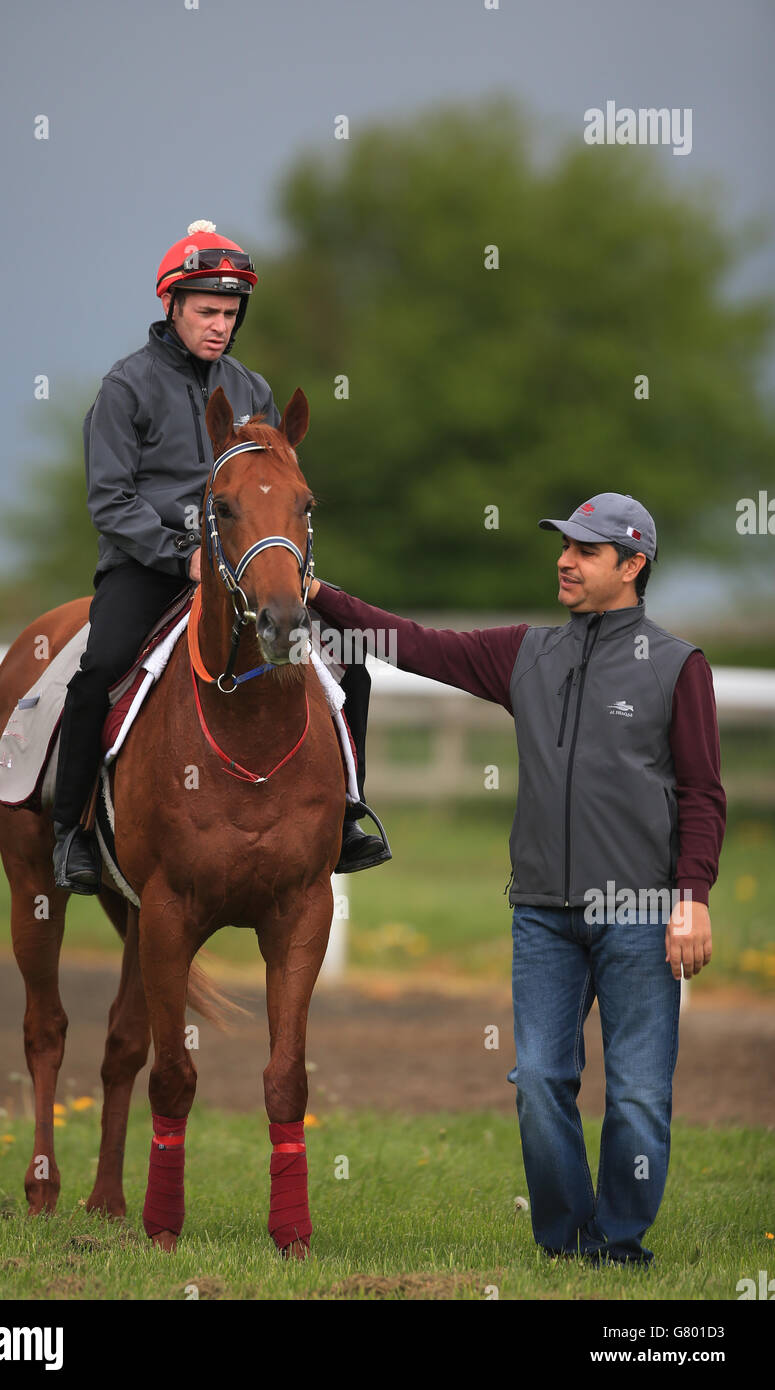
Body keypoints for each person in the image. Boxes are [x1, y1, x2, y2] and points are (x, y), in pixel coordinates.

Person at [307, 492, 726, 1266]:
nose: (564, 561)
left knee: (637, 1095)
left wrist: (690, 898)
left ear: (632, 565)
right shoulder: (524, 653)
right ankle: (565, 1243)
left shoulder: (677, 666)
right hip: (540, 913)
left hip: (638, 912)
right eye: (562, 546)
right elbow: (412, 644)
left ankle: (619, 1242)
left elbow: (702, 793)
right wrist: (313, 594)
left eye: (586, 551)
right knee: (537, 1079)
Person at [52, 219, 390, 893]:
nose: (218, 325)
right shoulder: (125, 388)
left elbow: (269, 488)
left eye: (229, 314)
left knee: (348, 670)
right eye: (206, 311)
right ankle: (72, 832)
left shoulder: (251, 388)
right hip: (147, 569)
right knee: (98, 671)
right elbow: (110, 500)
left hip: (243, 567)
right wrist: (182, 558)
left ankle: (346, 815)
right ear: (170, 305)